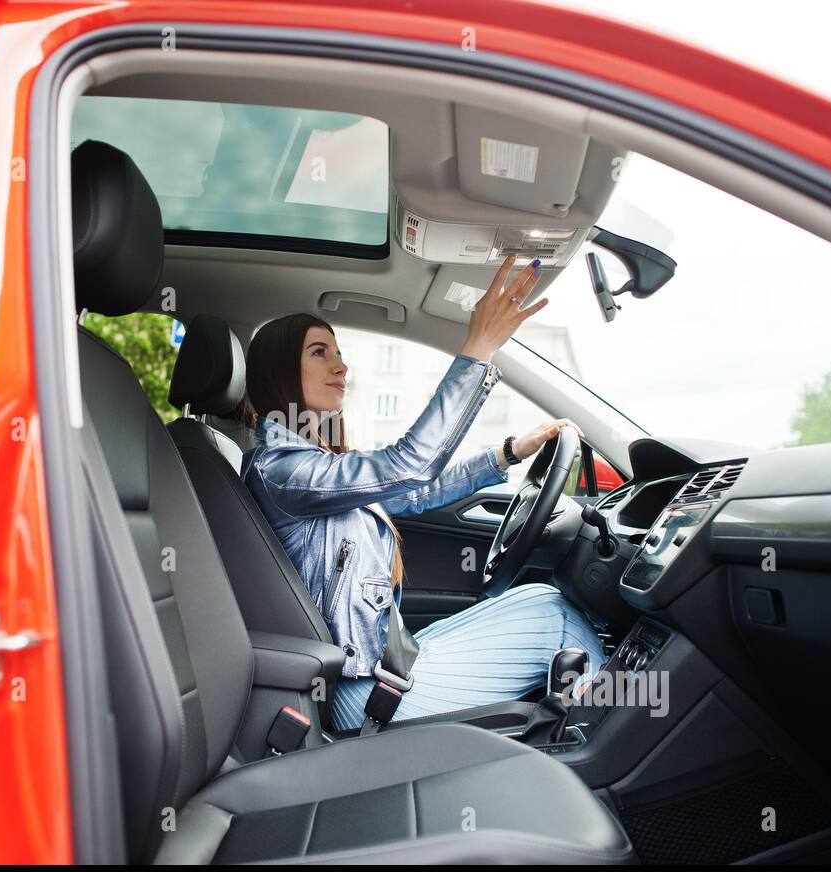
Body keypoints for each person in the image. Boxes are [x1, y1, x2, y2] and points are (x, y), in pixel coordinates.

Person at [239, 254, 607, 731]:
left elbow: (410, 494)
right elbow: (407, 464)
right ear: (277, 369)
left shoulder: (311, 468)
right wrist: (477, 350)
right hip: (361, 693)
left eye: (338, 352)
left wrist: (509, 452)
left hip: (387, 662)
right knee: (554, 618)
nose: (342, 366)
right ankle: (601, 748)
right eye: (319, 352)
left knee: (540, 599)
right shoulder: (283, 471)